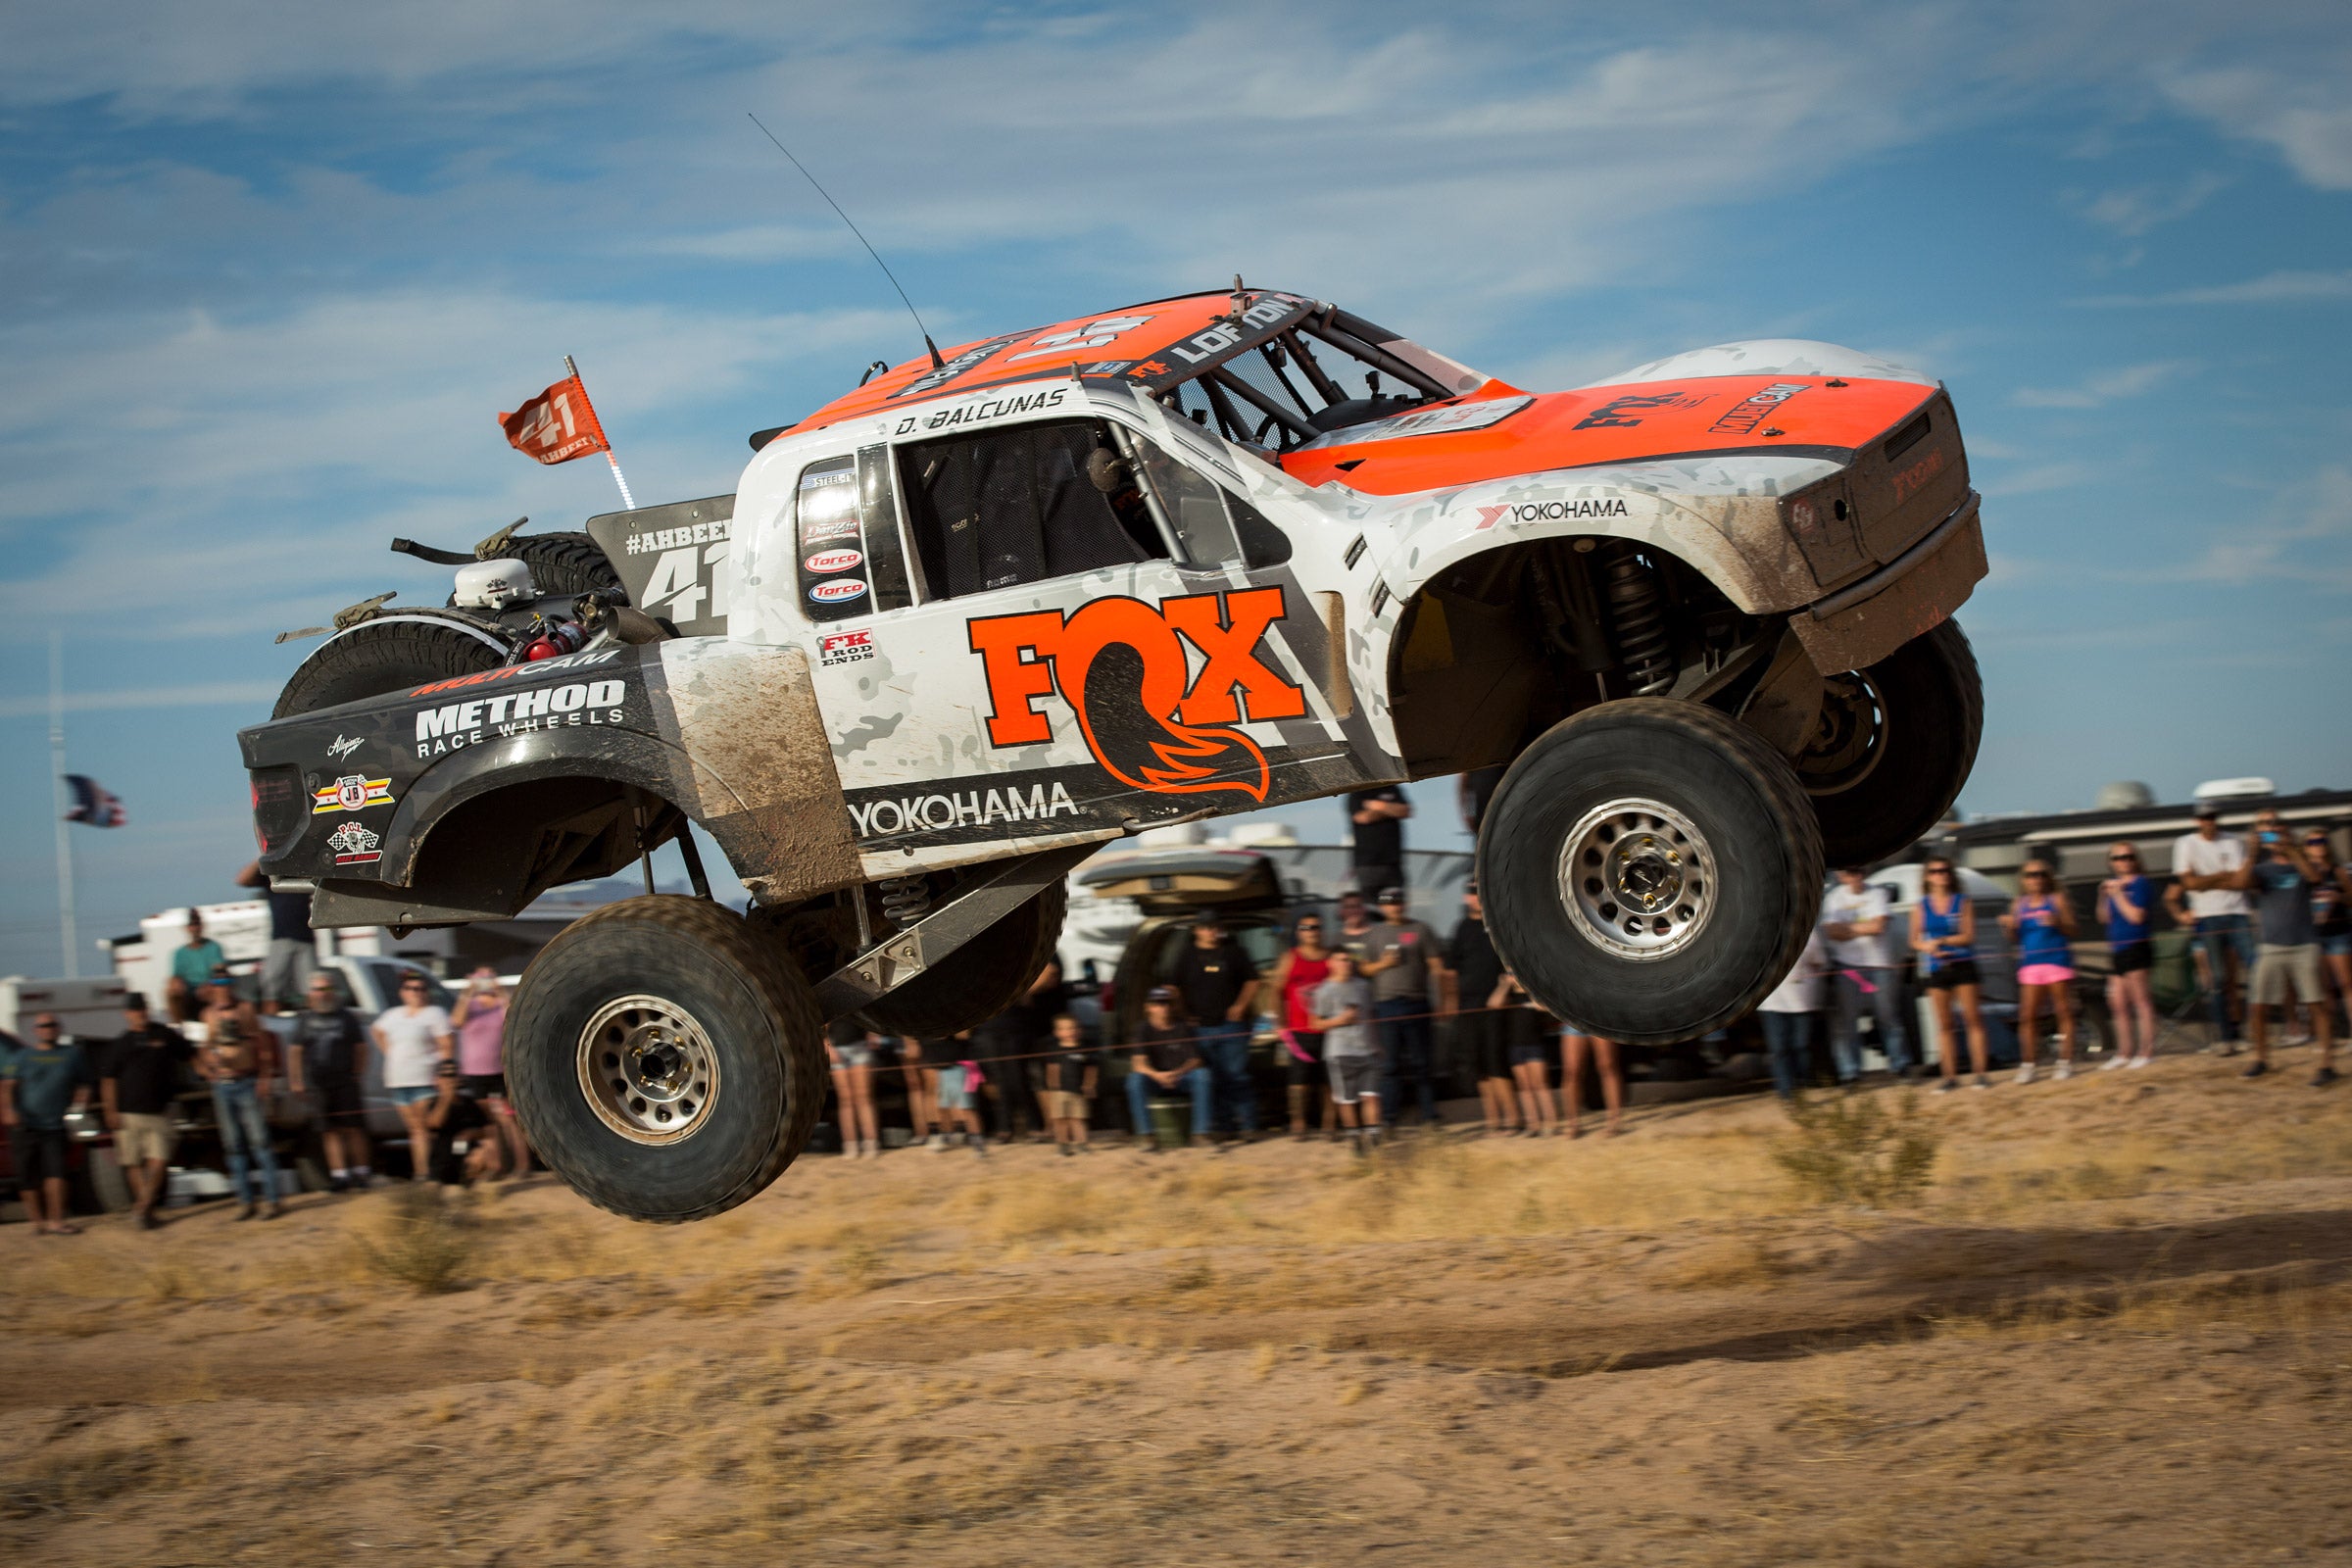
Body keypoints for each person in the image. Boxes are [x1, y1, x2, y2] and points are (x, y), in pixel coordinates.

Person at [2226, 822, 2336, 1084]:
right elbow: (2239, 883)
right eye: (2271, 835)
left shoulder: (2303, 864)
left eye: (2280, 833)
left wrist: (2293, 851)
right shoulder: (2263, 869)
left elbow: (2315, 879)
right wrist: (2252, 853)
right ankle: (2260, 1059)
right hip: (2271, 946)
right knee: (2257, 1005)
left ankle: (2326, 1065)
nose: (2275, 838)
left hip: (2304, 944)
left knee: (2315, 1003)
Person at [1360, 887, 1450, 1131]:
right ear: (1381, 907)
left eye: (1399, 902)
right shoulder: (1373, 934)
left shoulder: (1421, 929)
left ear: (1405, 904)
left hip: (1417, 1002)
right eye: (1390, 903)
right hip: (1386, 1005)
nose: (1395, 906)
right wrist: (1383, 964)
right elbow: (1364, 969)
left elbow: (1436, 967)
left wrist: (1441, 1001)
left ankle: (1429, 1116)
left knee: (1422, 1063)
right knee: (1390, 1065)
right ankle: (1389, 1118)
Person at [196, 978, 285, 1219]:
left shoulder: (246, 1009)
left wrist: (265, 1077)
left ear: (231, 986)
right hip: (223, 1084)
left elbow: (263, 1043)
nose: (223, 988)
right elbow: (203, 1046)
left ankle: (273, 1200)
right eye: (218, 984)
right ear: (212, 988)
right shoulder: (208, 1014)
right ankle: (245, 1202)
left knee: (260, 1141)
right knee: (233, 1145)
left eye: (226, 983)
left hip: (247, 1080)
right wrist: (208, 1065)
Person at [100, 999, 193, 1230]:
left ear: (147, 1010)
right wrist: (110, 1110)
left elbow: (190, 1054)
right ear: (126, 1014)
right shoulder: (121, 1043)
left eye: (142, 1009)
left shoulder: (163, 1034)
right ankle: (146, 1212)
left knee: (160, 1159)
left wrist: (208, 1069)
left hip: (160, 1111)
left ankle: (141, 1207)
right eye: (135, 1010)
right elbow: (108, 1080)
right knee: (133, 1162)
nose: (139, 1013)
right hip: (127, 1113)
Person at [3, 1014, 94, 1235]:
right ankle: (37, 1223)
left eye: (52, 1025)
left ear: (59, 1028)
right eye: (43, 1026)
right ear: (35, 1030)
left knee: (57, 1173)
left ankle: (56, 1221)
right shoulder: (21, 1056)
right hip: (25, 1126)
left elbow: (84, 1085)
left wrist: (79, 1107)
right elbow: (7, 1085)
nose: (48, 1029)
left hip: (56, 1126)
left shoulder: (72, 1055)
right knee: (27, 1177)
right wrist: (9, 1110)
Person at [2175, 803, 2255, 1052]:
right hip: (2208, 917)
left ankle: (2246, 1030)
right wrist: (2222, 876)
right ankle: (2226, 1036)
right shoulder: (2186, 843)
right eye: (2204, 818)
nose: (2209, 821)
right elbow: (2188, 884)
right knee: (2218, 980)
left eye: (2211, 817)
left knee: (2256, 969)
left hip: (2237, 913)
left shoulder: (2233, 841)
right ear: (2197, 820)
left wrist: (2205, 881)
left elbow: (2241, 881)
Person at [1821, 867, 1913, 1082]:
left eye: (1858, 872)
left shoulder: (1877, 893)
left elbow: (1878, 927)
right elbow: (1831, 931)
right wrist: (1863, 927)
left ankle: (1900, 1064)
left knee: (1887, 1016)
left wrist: (1847, 929)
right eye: (1849, 873)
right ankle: (1850, 1071)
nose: (1855, 876)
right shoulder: (1834, 898)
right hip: (1848, 967)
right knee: (1847, 1022)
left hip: (1879, 965)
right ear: (1841, 876)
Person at [1173, 916, 1260, 1141]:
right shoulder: (1185, 955)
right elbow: (1172, 987)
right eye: (1206, 927)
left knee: (1237, 1076)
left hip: (1232, 1027)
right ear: (1196, 930)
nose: (1211, 931)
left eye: (1215, 927)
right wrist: (1183, 1015)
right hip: (1201, 1028)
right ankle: (1224, 1127)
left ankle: (1248, 1125)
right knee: (1213, 1079)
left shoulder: (1234, 952)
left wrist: (1241, 1005)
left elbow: (1253, 981)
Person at [1447, 880, 1518, 1137]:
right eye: (1470, 892)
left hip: (1495, 1006)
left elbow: (1512, 965)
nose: (1475, 897)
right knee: (1477, 1066)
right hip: (1468, 1007)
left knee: (1496, 1062)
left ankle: (1513, 1119)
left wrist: (1504, 992)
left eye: (1478, 891)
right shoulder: (1461, 928)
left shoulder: (1498, 925)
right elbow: (1450, 970)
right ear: (1465, 898)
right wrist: (1450, 1003)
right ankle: (1493, 1121)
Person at [1913, 858, 1990, 1092]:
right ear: (1928, 876)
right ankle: (1949, 1077)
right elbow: (1914, 940)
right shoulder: (1921, 906)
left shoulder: (1962, 902)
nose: (1941, 874)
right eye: (1935, 871)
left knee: (1972, 1019)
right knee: (1945, 1024)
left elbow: (1968, 936)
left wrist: (1942, 941)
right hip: (1937, 966)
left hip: (1963, 963)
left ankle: (1980, 1073)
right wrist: (1928, 947)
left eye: (1945, 870)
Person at [290, 972, 373, 1189]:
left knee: (353, 1128)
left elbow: (361, 1048)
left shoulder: (346, 1017)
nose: (322, 994)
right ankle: (339, 1175)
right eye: (318, 989)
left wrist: (356, 1074)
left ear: (334, 992)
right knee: (328, 1131)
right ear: (311, 993)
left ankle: (362, 1173)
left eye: (327, 989)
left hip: (345, 1082)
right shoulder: (304, 1020)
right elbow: (295, 1052)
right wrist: (296, 1081)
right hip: (318, 1084)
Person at [2002, 863, 2080, 1083]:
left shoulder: (2056, 900)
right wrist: (2009, 926)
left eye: (2040, 874)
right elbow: (2014, 937)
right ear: (2023, 879)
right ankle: (2029, 1064)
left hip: (2057, 961)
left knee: (2063, 1011)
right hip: (2031, 964)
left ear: (2047, 878)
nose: (2035, 879)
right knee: (2027, 1015)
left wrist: (2057, 922)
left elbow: (2073, 929)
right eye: (2030, 875)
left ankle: (2065, 1061)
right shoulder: (2019, 904)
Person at [372, 974, 453, 1182]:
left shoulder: (434, 1014)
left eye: (421, 988)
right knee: (414, 1129)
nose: (416, 992)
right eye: (411, 988)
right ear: (403, 992)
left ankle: (429, 1173)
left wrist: (444, 1071)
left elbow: (447, 1045)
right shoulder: (392, 1015)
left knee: (425, 1127)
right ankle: (422, 1172)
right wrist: (390, 1052)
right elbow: (377, 1031)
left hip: (424, 1078)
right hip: (398, 1080)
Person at [451, 968, 526, 1178]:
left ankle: (522, 1165)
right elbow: (456, 1021)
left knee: (509, 1121)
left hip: (498, 1073)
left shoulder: (500, 1004)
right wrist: (467, 992)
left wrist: (500, 992)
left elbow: (513, 1020)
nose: (484, 984)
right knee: (489, 1124)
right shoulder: (470, 1006)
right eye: (481, 980)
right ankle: (496, 1166)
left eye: (487, 979)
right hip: (475, 1074)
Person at [1263, 912, 1334, 1139]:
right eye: (1306, 928)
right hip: (1298, 1030)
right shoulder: (1290, 958)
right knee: (1298, 1081)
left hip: (1329, 1028)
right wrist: (1279, 1024)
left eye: (1315, 927)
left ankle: (1329, 1125)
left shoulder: (1331, 957)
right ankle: (1298, 1124)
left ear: (1322, 931)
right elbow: (1276, 990)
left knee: (1328, 1081)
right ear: (1298, 932)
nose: (1311, 932)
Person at [1308, 952, 1380, 1153]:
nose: (1346, 963)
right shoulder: (1324, 991)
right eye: (1340, 959)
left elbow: (1371, 1016)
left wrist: (1377, 1044)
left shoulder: (1363, 986)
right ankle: (1355, 1138)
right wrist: (1340, 1020)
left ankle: (1374, 1138)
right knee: (1347, 1099)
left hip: (1367, 1050)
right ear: (1330, 963)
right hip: (1340, 1052)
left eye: (1348, 959)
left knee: (1371, 1096)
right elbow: (1314, 1023)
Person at [2098, 843, 2159, 1070]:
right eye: (2118, 858)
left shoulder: (2140, 883)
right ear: (2111, 862)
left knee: (2140, 1000)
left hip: (2137, 945)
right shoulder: (2115, 885)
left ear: (2135, 859)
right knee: (2117, 1002)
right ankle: (2124, 1052)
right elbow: (2104, 918)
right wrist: (2103, 895)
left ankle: (2146, 1051)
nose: (2123, 861)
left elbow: (2136, 917)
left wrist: (2118, 895)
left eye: (2128, 857)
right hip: (2118, 949)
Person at [1125, 987, 1210, 1149]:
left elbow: (1195, 1060)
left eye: (1166, 1003)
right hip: (1155, 1079)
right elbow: (1138, 1064)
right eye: (1158, 1004)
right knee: (1134, 1080)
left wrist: (1177, 1073)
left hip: (1181, 1077)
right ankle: (1146, 1135)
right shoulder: (1142, 1029)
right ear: (1148, 1007)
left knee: (1203, 1076)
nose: (1163, 1007)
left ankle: (1200, 1134)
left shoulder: (1183, 1027)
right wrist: (1157, 1076)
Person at [1759, 929, 1830, 1098]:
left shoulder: (1808, 932)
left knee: (1801, 1046)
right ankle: (1786, 1091)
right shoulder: (1761, 934)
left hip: (1802, 1002)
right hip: (1772, 1002)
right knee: (1779, 1048)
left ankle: (1801, 1084)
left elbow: (1820, 961)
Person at [236, 861, 315, 1012]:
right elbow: (242, 879)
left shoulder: (303, 869)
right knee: (271, 991)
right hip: (281, 937)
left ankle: (312, 1021)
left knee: (313, 990)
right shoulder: (273, 874)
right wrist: (263, 858)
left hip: (305, 938)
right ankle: (272, 1021)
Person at [1490, 972, 1555, 1135]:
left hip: (1535, 1044)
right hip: (1515, 1046)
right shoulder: (1509, 997)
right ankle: (1533, 1124)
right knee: (1524, 1088)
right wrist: (1504, 984)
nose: (1513, 976)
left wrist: (1527, 985)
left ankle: (1550, 1122)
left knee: (1540, 1085)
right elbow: (1493, 1004)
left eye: (1515, 972)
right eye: (1510, 973)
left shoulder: (1534, 992)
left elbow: (1545, 1007)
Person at [2303, 828, 2352, 1035]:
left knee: (2346, 983)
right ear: (2306, 848)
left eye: (2321, 840)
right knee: (2323, 988)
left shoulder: (2337, 871)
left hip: (2338, 933)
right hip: (2313, 936)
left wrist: (2339, 897)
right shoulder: (2303, 873)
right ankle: (2328, 1034)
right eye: (2312, 842)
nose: (2318, 845)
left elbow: (2351, 898)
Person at [422, 1060, 501, 1188]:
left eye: (452, 1076)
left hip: (465, 1156)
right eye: (445, 1077)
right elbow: (434, 1123)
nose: (449, 1081)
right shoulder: (433, 1103)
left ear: (459, 1079)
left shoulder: (468, 1103)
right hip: (442, 1163)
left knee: (486, 1148)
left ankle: (480, 1182)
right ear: (437, 1081)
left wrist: (472, 1134)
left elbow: (487, 1130)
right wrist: (446, 1098)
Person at [1039, 1013, 1098, 1155]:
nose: (1070, 1031)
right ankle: (1063, 1145)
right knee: (1060, 1120)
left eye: (1073, 1028)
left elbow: (1091, 1069)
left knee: (1077, 1119)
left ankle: (1082, 1144)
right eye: (1065, 1029)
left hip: (1078, 1091)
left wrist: (1089, 1085)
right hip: (1059, 1092)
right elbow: (1052, 1070)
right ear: (1057, 1032)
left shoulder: (1085, 1049)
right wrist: (1052, 1089)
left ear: (1079, 1030)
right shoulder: (1054, 1050)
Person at [921, 1032, 987, 1154]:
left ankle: (978, 1144)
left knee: (967, 1108)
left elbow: (963, 1035)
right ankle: (946, 1136)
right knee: (942, 1107)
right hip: (943, 1070)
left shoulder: (956, 1029)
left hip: (958, 1069)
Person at [827, 1018, 883, 1158]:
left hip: (860, 1047)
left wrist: (874, 1033)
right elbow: (821, 1024)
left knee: (863, 1096)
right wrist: (828, 1047)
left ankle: (871, 1142)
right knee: (845, 1100)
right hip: (836, 1048)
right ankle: (850, 1144)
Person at [1560, 1019, 1624, 1138]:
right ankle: (1573, 1124)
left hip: (1599, 1019)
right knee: (1571, 1071)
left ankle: (1614, 1122)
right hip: (1573, 1019)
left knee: (1607, 1065)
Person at [1347, 785, 1411, 899]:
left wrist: (1379, 806)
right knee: (1371, 905)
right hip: (1367, 863)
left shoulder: (1392, 788)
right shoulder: (1358, 790)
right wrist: (1390, 809)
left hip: (1392, 862)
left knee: (1391, 901)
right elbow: (1363, 817)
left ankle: (1385, 906)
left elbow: (1404, 811)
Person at [167, 910, 227, 1024]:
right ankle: (178, 1024)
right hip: (189, 991)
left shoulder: (214, 947)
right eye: (191, 925)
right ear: (187, 928)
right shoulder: (179, 953)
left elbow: (220, 971)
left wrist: (209, 984)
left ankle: (222, 1021)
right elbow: (176, 977)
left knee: (221, 986)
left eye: (197, 924)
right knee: (171, 989)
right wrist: (178, 985)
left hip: (209, 988)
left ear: (202, 926)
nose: (195, 928)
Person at [1332, 890, 1385, 968]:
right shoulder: (1333, 941)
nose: (1353, 911)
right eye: (1348, 907)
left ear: (1364, 909)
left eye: (1357, 906)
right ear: (1341, 911)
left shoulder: (1379, 935)